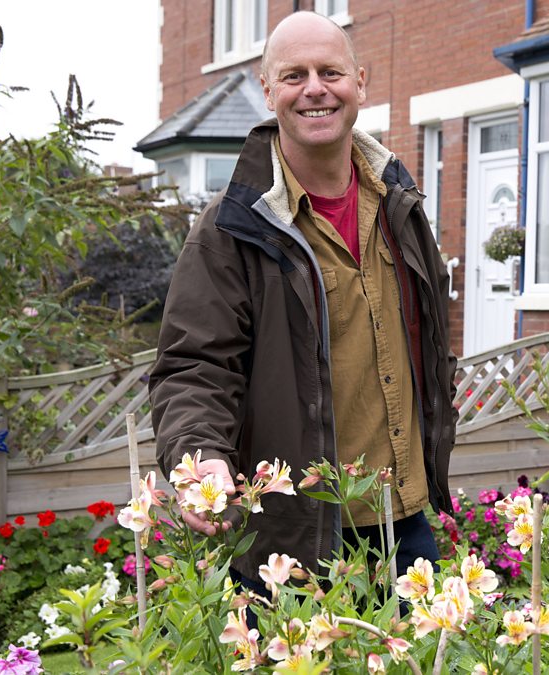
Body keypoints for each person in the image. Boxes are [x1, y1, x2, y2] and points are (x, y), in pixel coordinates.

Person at [148, 11, 457, 589]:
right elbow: (193, 367)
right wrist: (199, 454)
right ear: (268, 91)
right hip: (293, 540)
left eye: (330, 72)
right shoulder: (231, 228)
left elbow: (429, 337)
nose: (315, 88)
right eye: (294, 75)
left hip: (405, 521)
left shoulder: (401, 206)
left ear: (359, 82)